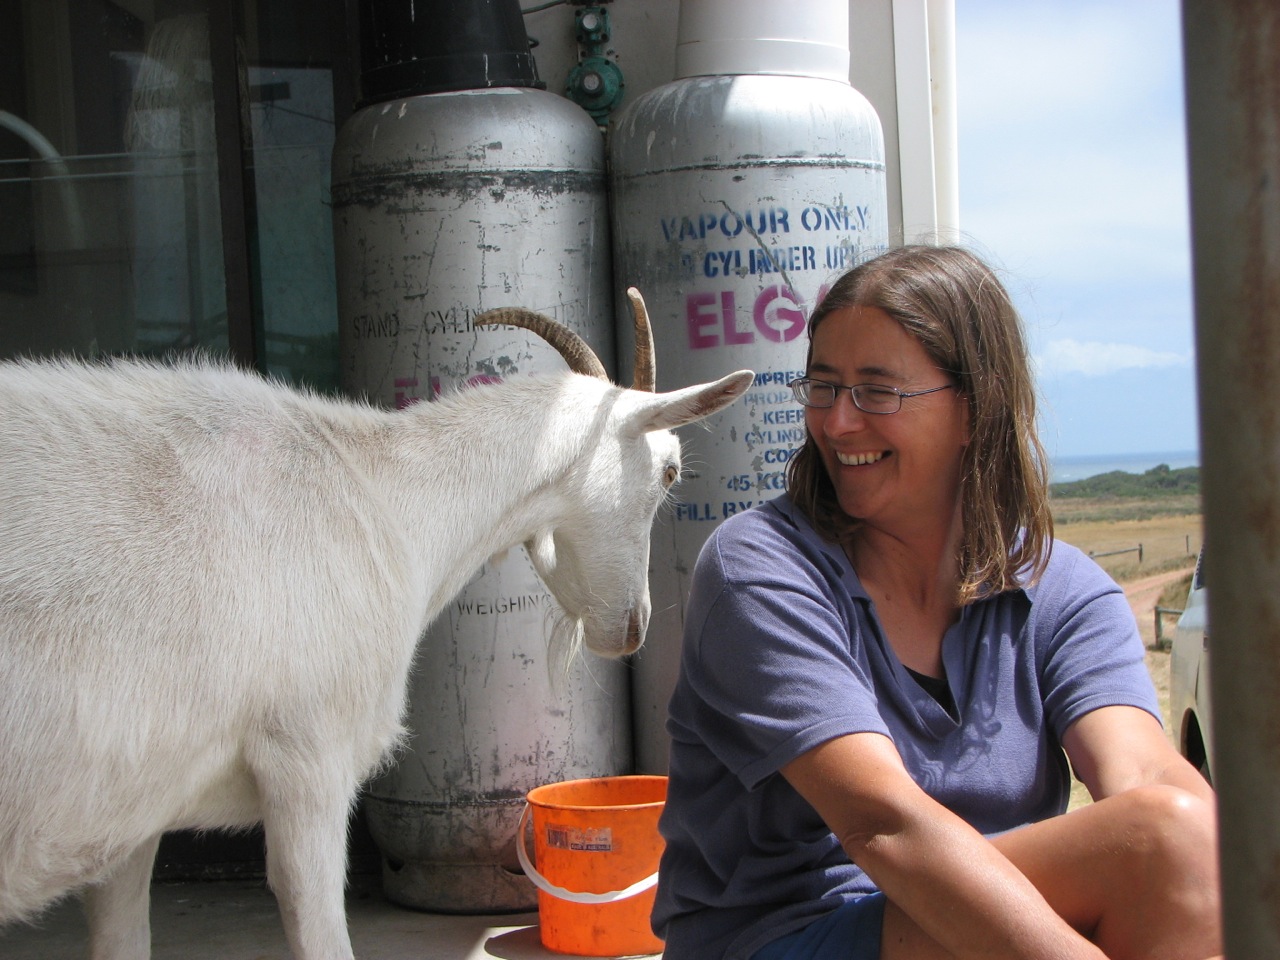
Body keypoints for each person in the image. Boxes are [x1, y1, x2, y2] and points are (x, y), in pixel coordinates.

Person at [652, 245, 1221, 960]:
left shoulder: (1063, 593)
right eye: (824, 386)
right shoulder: (759, 569)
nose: (837, 423)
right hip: (786, 935)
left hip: (972, 925)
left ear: (974, 410)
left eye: (877, 391)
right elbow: (881, 826)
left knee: (1178, 829)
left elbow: (1150, 780)